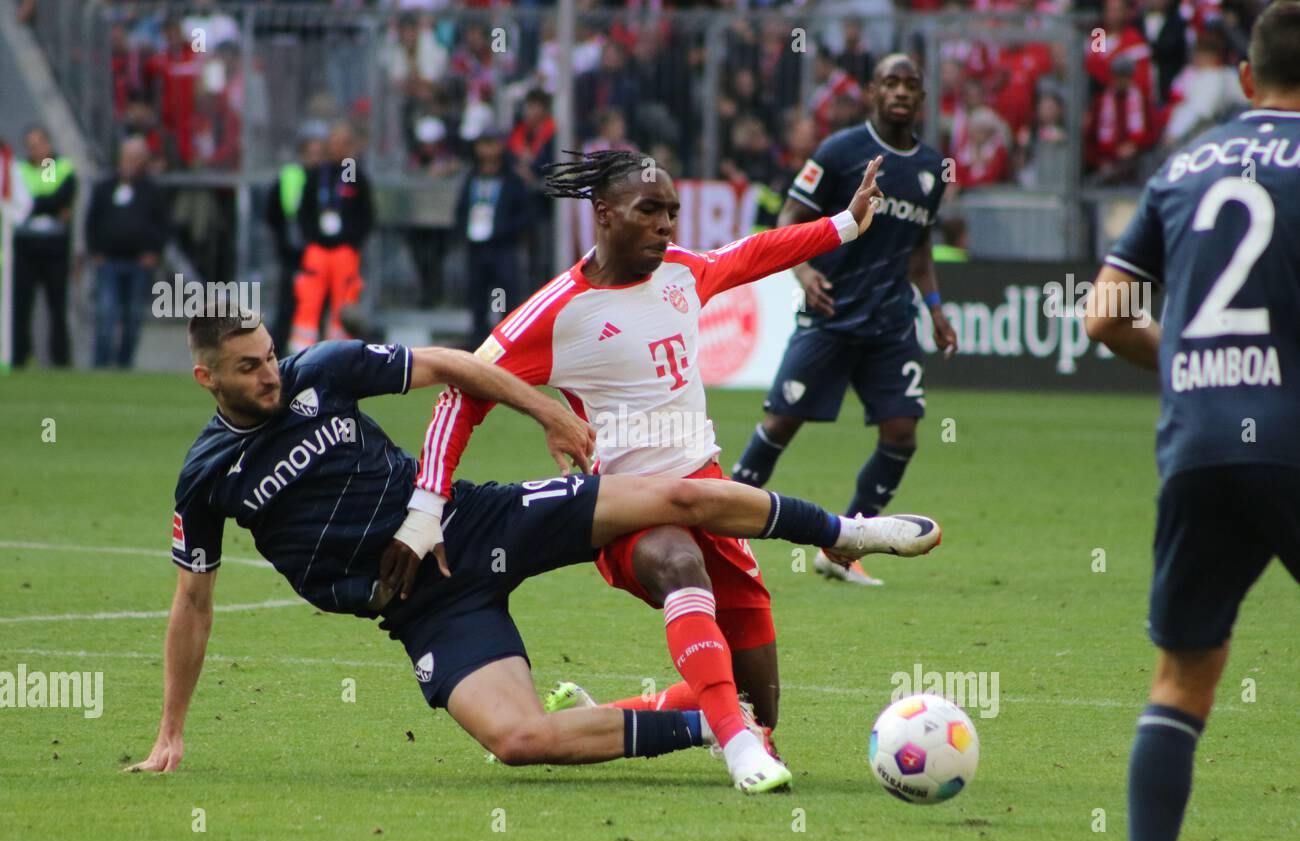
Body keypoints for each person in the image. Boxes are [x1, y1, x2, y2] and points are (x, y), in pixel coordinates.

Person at [129, 308, 925, 793]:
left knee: (673, 494)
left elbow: (453, 367)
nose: (270, 374)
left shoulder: (322, 371)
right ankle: (709, 721)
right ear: (205, 377)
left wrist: (544, 410)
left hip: (475, 522)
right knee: (519, 742)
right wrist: (171, 731)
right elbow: (192, 600)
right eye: (248, 367)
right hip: (424, 608)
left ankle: (848, 531)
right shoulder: (205, 479)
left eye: (269, 355)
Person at [398, 142, 940, 777]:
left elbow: (753, 254)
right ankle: (739, 745)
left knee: (759, 704)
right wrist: (427, 504)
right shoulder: (556, 312)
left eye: (672, 212)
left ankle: (615, 720)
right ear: (601, 212)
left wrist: (845, 224)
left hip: (714, 500)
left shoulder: (683, 270)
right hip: (624, 509)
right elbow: (462, 396)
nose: (664, 224)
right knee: (679, 564)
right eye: (648, 209)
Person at [1083, 0, 1300, 841]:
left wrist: (1188, 367)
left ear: (1246, 79)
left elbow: (1103, 317)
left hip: (1199, 447)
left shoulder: (1185, 166)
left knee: (1179, 685)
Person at [731, 54, 959, 587]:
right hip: (831, 312)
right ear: (873, 92)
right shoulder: (840, 152)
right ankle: (722, 532)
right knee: (781, 423)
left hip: (891, 323)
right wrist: (803, 271)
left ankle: (841, 549)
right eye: (890, 82)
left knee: (902, 435)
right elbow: (789, 218)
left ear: (921, 99)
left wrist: (934, 307)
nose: (901, 92)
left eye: (911, 84)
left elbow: (918, 246)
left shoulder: (931, 169)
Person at [289, 121, 373, 353]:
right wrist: (312, 236)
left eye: (343, 143)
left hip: (344, 251)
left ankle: (340, 353)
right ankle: (300, 353)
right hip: (317, 249)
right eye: (333, 142)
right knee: (308, 302)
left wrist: (351, 240)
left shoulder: (352, 173)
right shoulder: (317, 174)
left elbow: (364, 213)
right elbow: (303, 211)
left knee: (344, 305)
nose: (337, 148)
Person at [84, 137, 169, 369]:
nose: (131, 162)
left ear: (143, 161)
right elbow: (91, 222)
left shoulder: (152, 191)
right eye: (128, 156)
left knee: (133, 317)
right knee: (106, 314)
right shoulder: (104, 187)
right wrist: (95, 251)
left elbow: (162, 225)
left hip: (138, 263)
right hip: (108, 261)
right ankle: (100, 365)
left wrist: (154, 251)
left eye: (136, 157)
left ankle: (124, 364)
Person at [453, 126, 535, 346]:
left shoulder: (512, 180)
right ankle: (478, 343)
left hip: (502, 249)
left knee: (503, 297)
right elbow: (461, 210)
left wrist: (502, 230)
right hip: (477, 249)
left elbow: (525, 215)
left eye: (491, 144)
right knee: (478, 297)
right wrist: (466, 231)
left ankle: (504, 343)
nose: (487, 151)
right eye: (482, 145)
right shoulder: (472, 178)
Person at [12, 126, 76, 368]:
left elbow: (50, 196)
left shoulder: (53, 167)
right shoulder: (18, 169)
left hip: (53, 248)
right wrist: (40, 206)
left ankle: (59, 358)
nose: (35, 149)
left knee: (56, 306)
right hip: (26, 247)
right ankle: (19, 355)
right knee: (21, 306)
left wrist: (31, 205)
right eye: (30, 144)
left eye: (39, 143)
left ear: (48, 144)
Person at [265, 129, 324, 356]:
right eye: (312, 152)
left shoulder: (328, 177)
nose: (315, 158)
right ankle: (277, 356)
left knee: (317, 309)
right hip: (294, 255)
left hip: (319, 255)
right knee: (288, 307)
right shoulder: (291, 176)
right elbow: (274, 214)